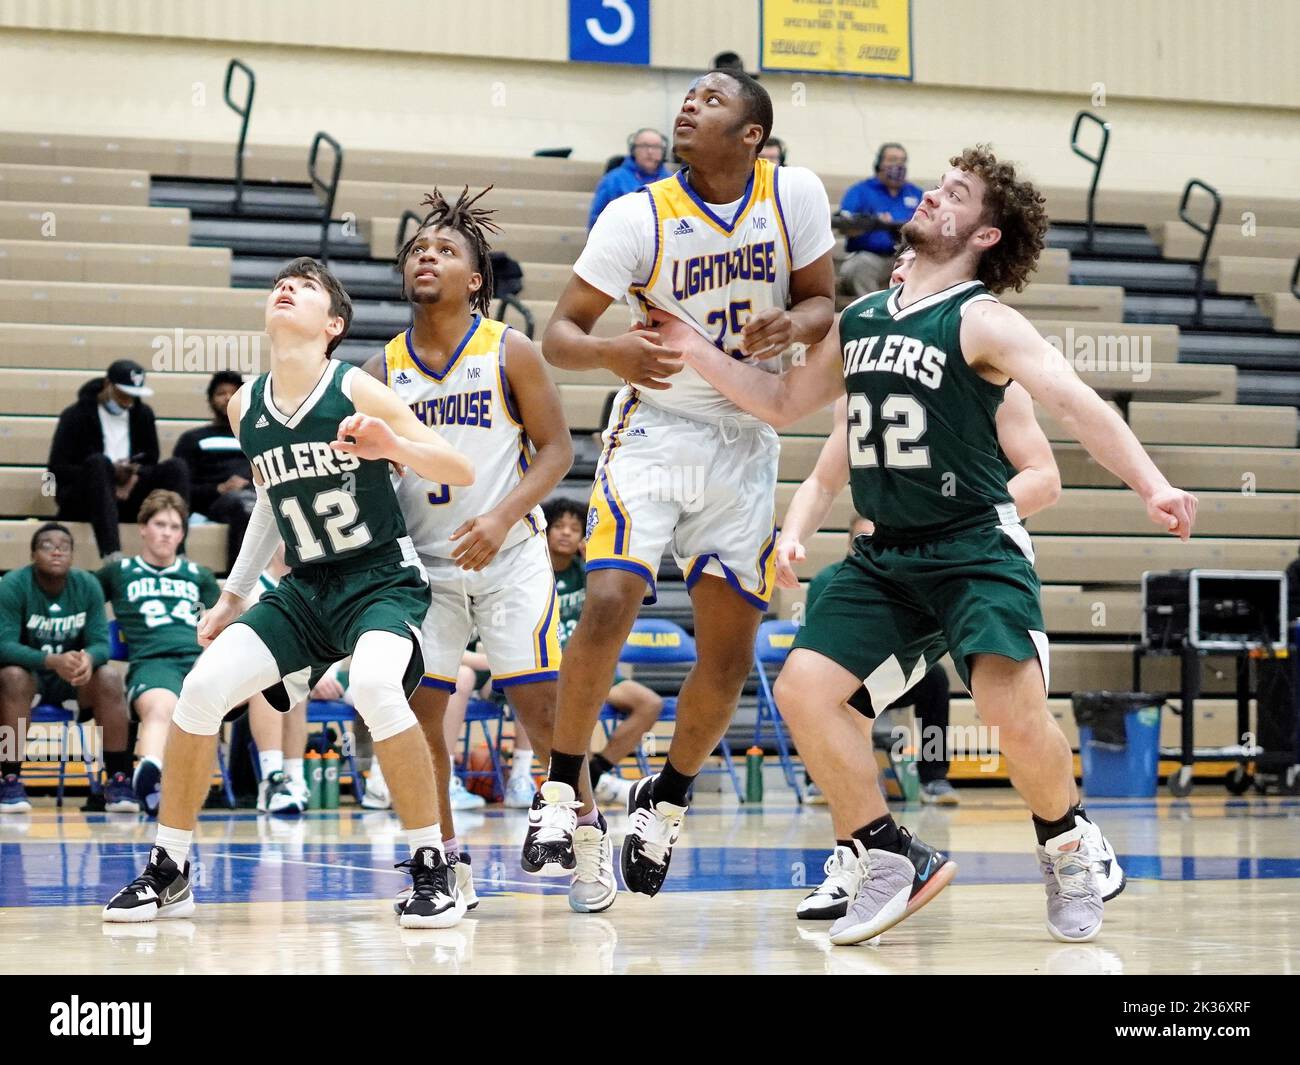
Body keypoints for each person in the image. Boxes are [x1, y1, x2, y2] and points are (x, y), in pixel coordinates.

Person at [651, 144, 1198, 945]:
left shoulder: (984, 320)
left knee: (1012, 712)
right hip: (884, 558)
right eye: (940, 185)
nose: (937, 196)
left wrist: (1150, 483)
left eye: (958, 193)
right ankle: (881, 852)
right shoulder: (861, 318)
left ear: (984, 235)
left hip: (974, 547)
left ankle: (1069, 842)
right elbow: (780, 401)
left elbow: (1075, 402)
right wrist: (693, 347)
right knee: (805, 689)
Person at [532, 67, 836, 907]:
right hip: (655, 428)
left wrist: (795, 323)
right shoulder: (636, 213)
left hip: (746, 435)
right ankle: (563, 786)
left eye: (711, 99)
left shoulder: (796, 194)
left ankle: (664, 796)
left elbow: (822, 302)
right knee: (608, 596)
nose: (689, 107)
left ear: (752, 134)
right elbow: (560, 332)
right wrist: (613, 354)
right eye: (685, 99)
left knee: (732, 653)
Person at [102, 256, 475, 929]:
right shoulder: (246, 403)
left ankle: (431, 866)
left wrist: (394, 443)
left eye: (304, 288)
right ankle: (170, 867)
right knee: (202, 688)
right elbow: (273, 497)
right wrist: (236, 592)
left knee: (376, 688)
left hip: (380, 581)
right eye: (281, 283)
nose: (286, 288)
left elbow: (460, 465)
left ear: (332, 324)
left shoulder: (357, 388)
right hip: (305, 588)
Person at [362, 188, 571, 910]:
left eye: (445, 249)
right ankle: (444, 862)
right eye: (419, 247)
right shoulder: (381, 369)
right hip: (427, 569)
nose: (427, 254)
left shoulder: (511, 349)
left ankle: (587, 825)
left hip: (509, 553)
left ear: (475, 279)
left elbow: (557, 450)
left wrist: (502, 515)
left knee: (540, 711)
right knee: (419, 715)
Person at [97, 490, 221, 815]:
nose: (167, 532)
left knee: (265, 687)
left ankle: (277, 776)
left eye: (175, 527)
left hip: (200, 662)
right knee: (161, 708)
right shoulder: (118, 571)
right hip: (153, 663)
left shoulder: (199, 576)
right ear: (142, 527)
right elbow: (83, 601)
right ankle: (150, 775)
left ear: (182, 534)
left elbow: (221, 622)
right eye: (159, 524)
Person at [0, 523, 135, 813]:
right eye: (47, 545)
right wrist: (51, 661)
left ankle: (118, 780)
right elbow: (4, 646)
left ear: (73, 555)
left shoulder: (87, 585)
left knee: (109, 676)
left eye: (64, 545)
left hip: (73, 682)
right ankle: (9, 777)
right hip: (28, 682)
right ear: (33, 554)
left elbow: (101, 643)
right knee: (11, 676)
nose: (57, 549)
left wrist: (88, 659)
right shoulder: (13, 585)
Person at [541, 497, 663, 807]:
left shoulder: (590, 575)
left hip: (589, 666)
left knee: (649, 704)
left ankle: (596, 773)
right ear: (545, 530)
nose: (567, 533)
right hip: (548, 667)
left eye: (575, 528)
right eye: (559, 527)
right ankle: (571, 779)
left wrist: (592, 561)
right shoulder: (534, 573)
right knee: (575, 706)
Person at [47, 359, 191, 561]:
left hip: (129, 494)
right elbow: (56, 468)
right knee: (99, 462)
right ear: (107, 385)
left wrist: (135, 475)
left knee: (177, 467)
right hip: (87, 497)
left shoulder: (143, 415)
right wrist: (109, 473)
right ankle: (110, 554)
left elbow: (151, 459)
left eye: (133, 397)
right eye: (122, 395)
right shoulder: (75, 415)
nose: (127, 402)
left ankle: (179, 551)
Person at [242, 544, 311, 816]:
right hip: (238, 676)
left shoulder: (312, 585)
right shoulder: (250, 586)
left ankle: (294, 778)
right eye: (283, 536)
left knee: (295, 680)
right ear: (270, 545)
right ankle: (271, 779)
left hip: (289, 672)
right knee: (270, 677)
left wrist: (325, 673)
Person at [174, 370, 256, 572]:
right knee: (242, 503)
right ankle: (238, 581)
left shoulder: (256, 437)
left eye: (234, 393)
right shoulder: (193, 439)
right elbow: (181, 488)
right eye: (221, 393)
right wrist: (218, 489)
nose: (228, 398)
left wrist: (247, 484)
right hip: (216, 504)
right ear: (210, 400)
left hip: (254, 494)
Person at [836, 143, 924, 298]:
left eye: (902, 161)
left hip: (908, 256)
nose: (898, 165)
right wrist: (874, 222)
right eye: (892, 160)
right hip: (871, 256)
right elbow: (844, 225)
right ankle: (871, 314)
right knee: (861, 265)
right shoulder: (861, 191)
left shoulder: (915, 193)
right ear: (879, 164)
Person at [588, 129, 671, 229]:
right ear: (633, 150)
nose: (650, 151)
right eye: (644, 146)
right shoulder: (613, 180)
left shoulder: (671, 180)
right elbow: (596, 220)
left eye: (656, 147)